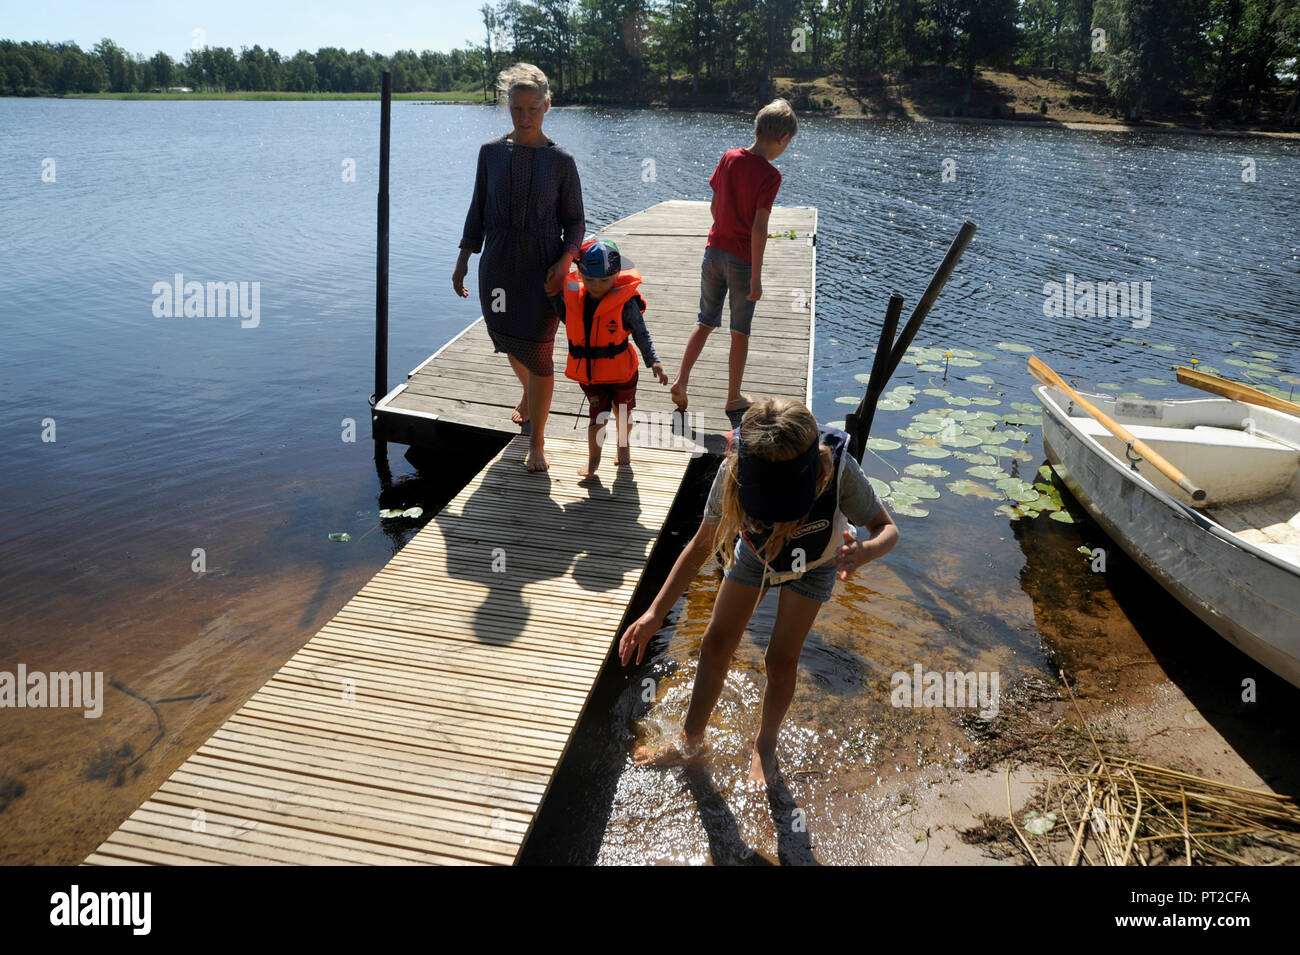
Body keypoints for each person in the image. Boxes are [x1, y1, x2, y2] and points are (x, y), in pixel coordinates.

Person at [618, 396, 898, 787]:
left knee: (781, 659)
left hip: (814, 565)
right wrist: (654, 613)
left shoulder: (838, 470)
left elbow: (887, 529)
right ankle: (690, 740)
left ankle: (765, 745)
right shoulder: (735, 467)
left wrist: (864, 551)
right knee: (716, 642)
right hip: (756, 555)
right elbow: (701, 544)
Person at [453, 63, 585, 473]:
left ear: (547, 105)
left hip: (543, 272)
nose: (524, 118)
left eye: (532, 109)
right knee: (507, 341)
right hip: (497, 266)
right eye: (516, 109)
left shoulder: (561, 161)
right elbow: (477, 209)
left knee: (541, 355)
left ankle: (537, 442)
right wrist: (461, 261)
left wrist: (565, 262)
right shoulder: (491, 153)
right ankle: (528, 391)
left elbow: (576, 222)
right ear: (507, 106)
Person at [670, 99, 798, 416]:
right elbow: (759, 228)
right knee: (739, 332)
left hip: (713, 251)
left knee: (704, 321)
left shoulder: (728, 158)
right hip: (742, 260)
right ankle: (733, 397)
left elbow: (714, 207)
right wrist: (756, 275)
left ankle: (681, 380)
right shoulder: (770, 176)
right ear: (782, 139)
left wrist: (723, 228)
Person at [559, 238, 668, 478]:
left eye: (604, 281)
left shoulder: (626, 302)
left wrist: (654, 361)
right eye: (589, 280)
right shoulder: (573, 297)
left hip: (622, 373)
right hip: (591, 375)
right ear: (580, 274)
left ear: (617, 275)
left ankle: (623, 444)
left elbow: (641, 333)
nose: (597, 286)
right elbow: (558, 309)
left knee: (623, 412)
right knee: (598, 414)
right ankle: (593, 459)